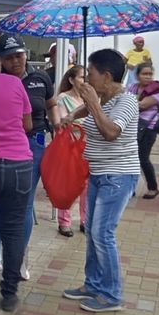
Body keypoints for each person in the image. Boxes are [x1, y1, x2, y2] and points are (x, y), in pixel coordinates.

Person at [61, 49, 139, 312]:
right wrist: (73, 115)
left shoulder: (127, 101)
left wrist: (93, 103)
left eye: (91, 74)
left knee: (102, 234)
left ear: (106, 76)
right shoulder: (105, 99)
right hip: (98, 173)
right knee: (93, 232)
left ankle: (112, 295)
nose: (87, 79)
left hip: (117, 176)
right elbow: (90, 109)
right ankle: (93, 284)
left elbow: (111, 132)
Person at [0, 35, 58, 274]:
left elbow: (51, 105)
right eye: (9, 57)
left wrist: (58, 124)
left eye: (19, 55)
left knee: (24, 203)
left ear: (26, 54)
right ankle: (0, 253)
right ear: (0, 60)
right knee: (0, 202)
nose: (15, 61)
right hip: (2, 144)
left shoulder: (40, 77)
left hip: (34, 143)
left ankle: (19, 257)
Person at [0, 37, 33, 312]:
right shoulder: (15, 84)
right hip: (20, 164)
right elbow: (27, 125)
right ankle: (9, 293)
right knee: (13, 231)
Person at [54, 65, 87, 236]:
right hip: (70, 145)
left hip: (88, 146)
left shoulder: (90, 99)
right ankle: (64, 222)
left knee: (86, 186)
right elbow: (62, 123)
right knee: (69, 184)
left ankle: (84, 220)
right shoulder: (63, 98)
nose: (85, 81)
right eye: (81, 77)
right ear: (72, 80)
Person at [127, 62, 159, 200]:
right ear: (137, 75)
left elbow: (142, 105)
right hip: (133, 127)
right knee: (130, 158)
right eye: (144, 74)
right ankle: (130, 189)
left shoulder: (157, 91)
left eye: (150, 74)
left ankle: (153, 188)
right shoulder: (132, 87)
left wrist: (129, 102)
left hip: (149, 129)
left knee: (143, 159)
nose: (148, 77)